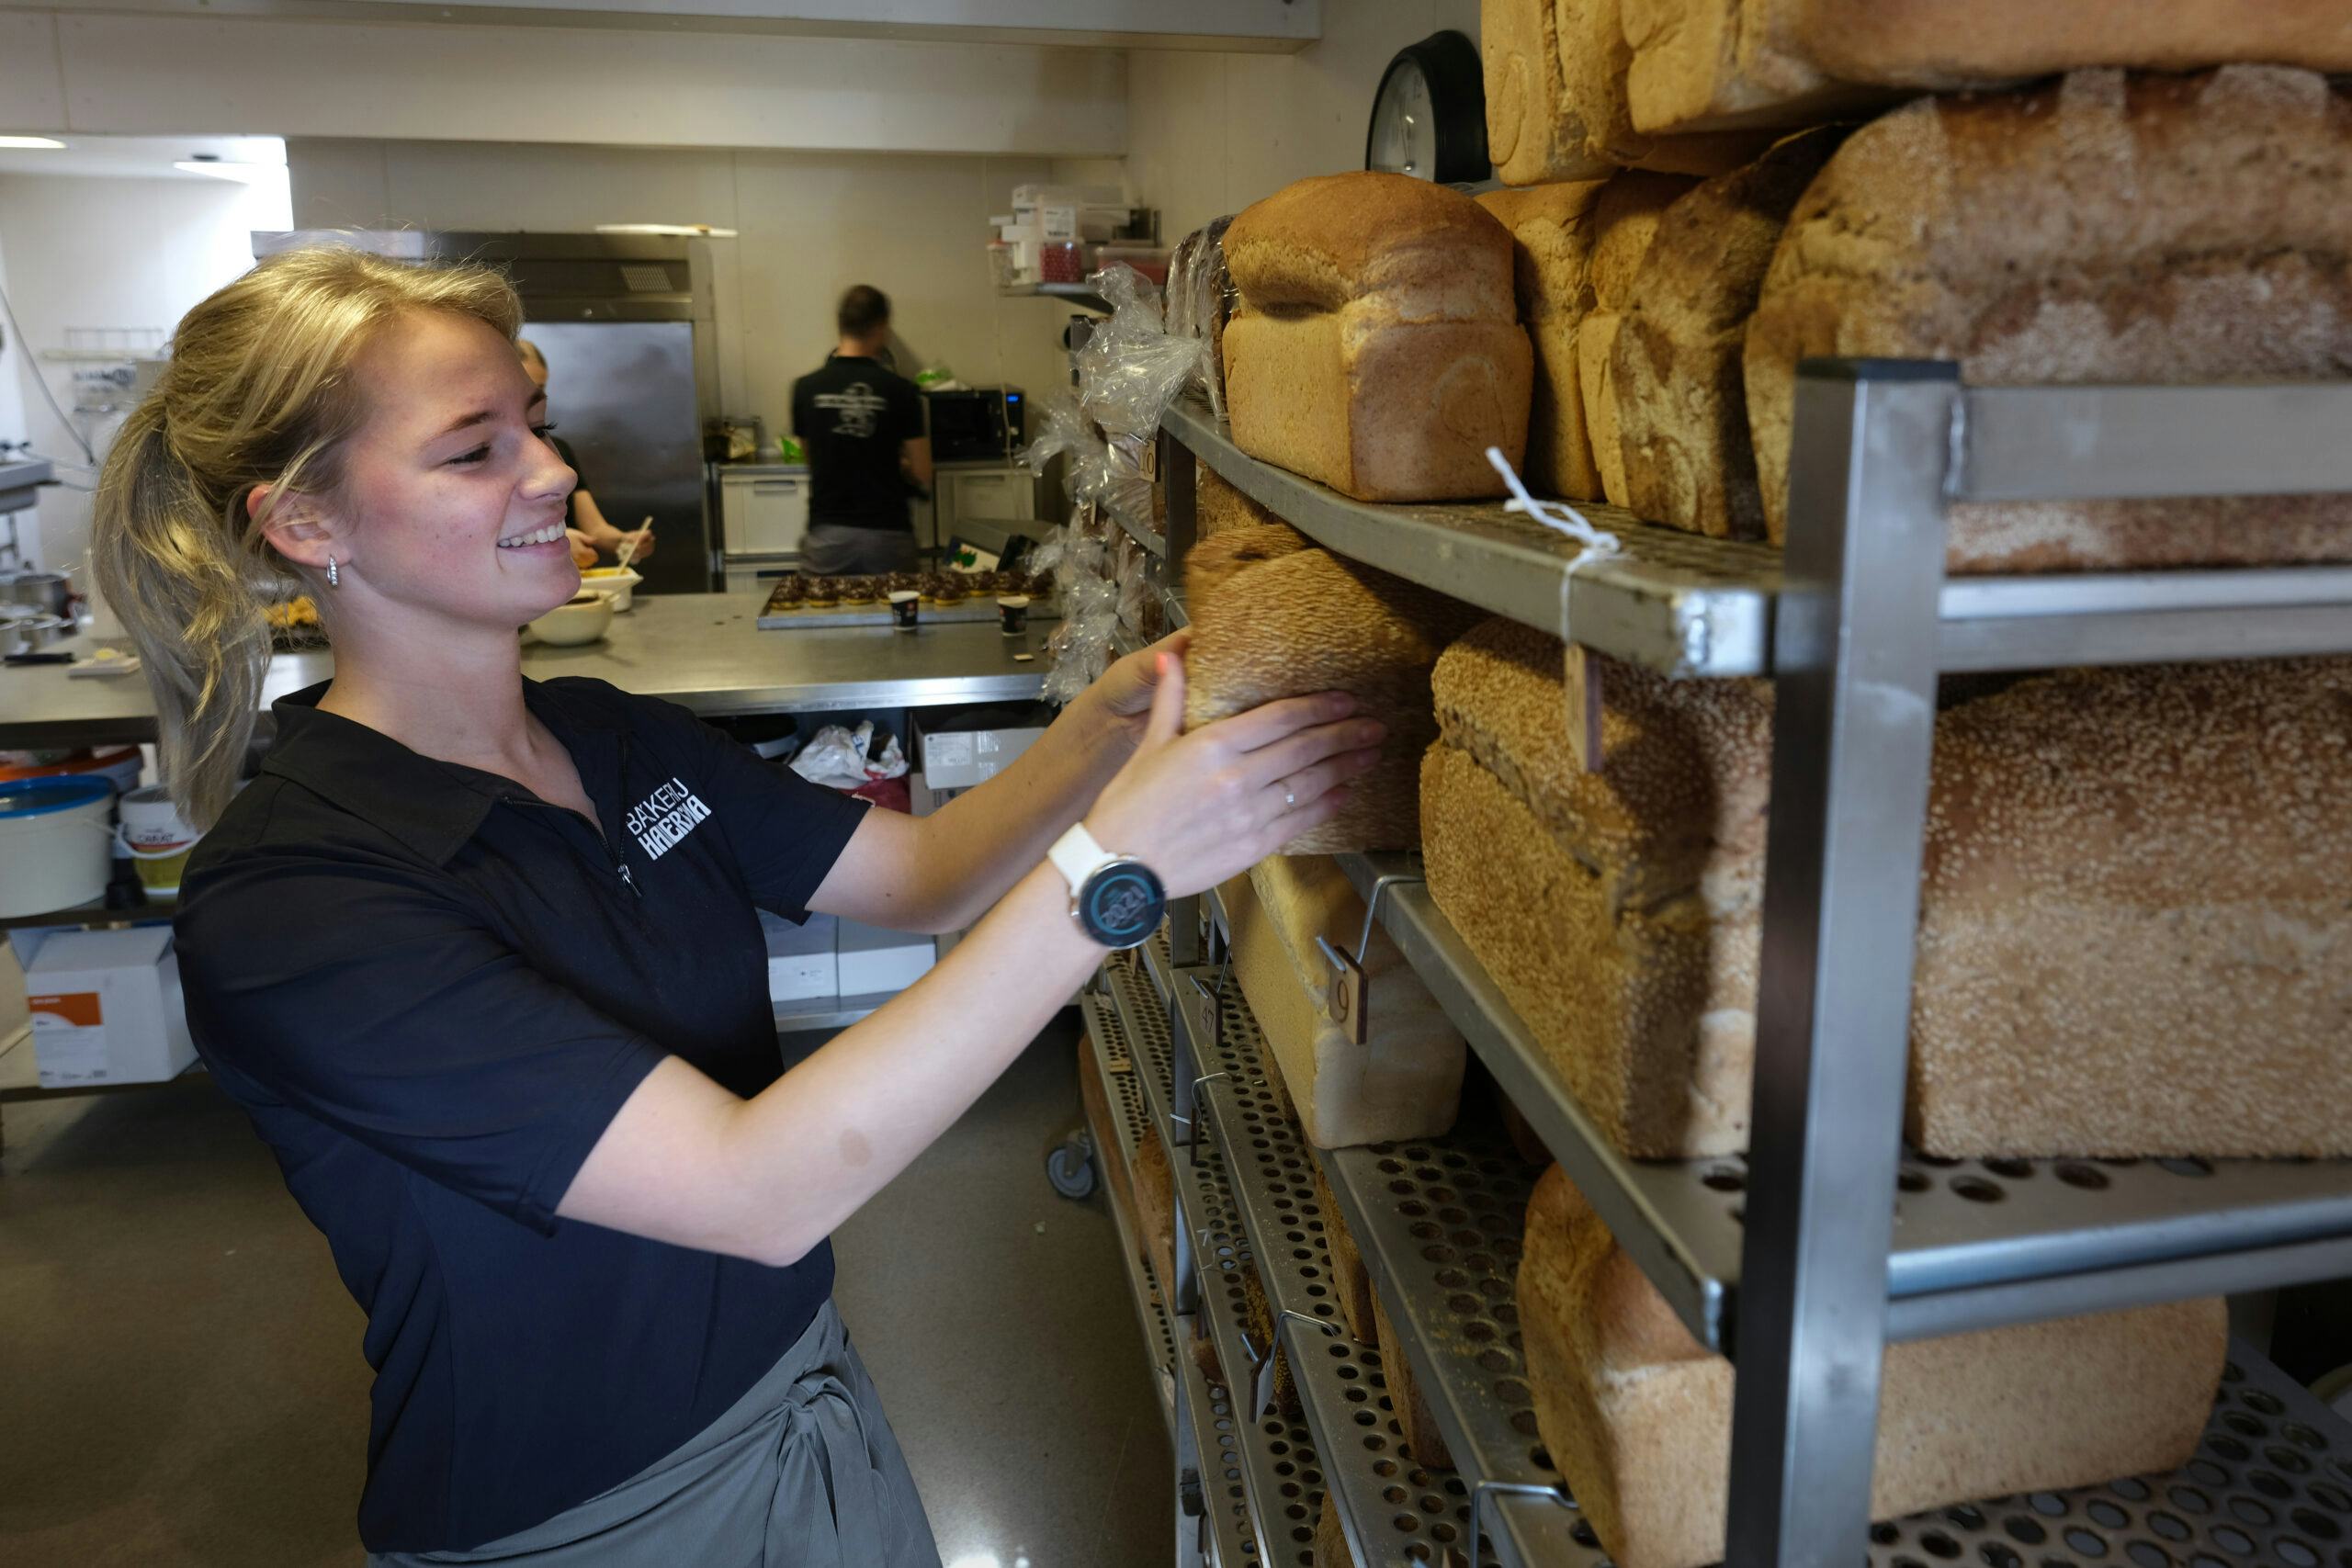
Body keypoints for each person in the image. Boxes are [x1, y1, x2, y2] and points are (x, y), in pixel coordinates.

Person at [88, 246, 1383, 1565]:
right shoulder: (295, 898)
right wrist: (1118, 876)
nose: (550, 473)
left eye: (533, 427)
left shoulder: (612, 737)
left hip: (811, 1398)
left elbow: (924, 877)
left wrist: (1103, 732)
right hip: (586, 1515)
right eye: (473, 450)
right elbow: (754, 1185)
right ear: (306, 525)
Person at [791, 285, 931, 576]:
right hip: (889, 536)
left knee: (820, 617)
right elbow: (922, 472)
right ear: (882, 327)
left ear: (840, 325)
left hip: (827, 536)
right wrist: (898, 463)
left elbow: (812, 461)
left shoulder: (805, 389)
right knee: (898, 619)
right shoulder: (901, 390)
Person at [514, 337, 655, 569]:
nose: (537, 399)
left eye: (541, 389)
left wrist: (624, 541)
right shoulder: (493, 456)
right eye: (526, 387)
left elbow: (595, 529)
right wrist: (555, 538)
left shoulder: (559, 449)